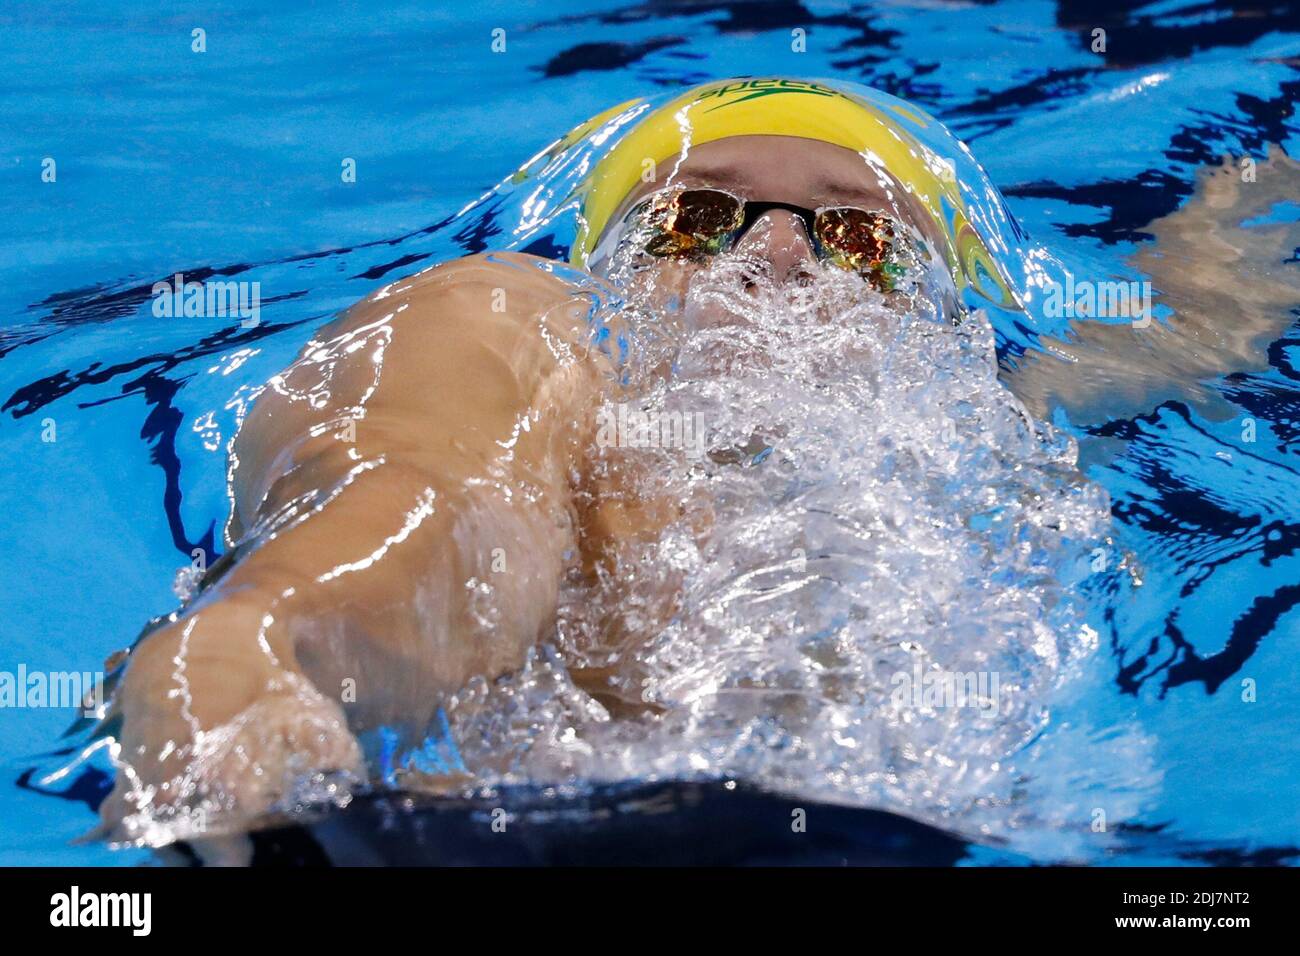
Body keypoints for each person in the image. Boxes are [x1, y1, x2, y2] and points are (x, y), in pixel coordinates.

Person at [96, 78, 1300, 843]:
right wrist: (267, 642)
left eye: (856, 235)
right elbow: (435, 499)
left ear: (932, 304)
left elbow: (1175, 335)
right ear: (612, 261)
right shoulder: (520, 330)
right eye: (696, 217)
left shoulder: (986, 414)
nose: (777, 256)